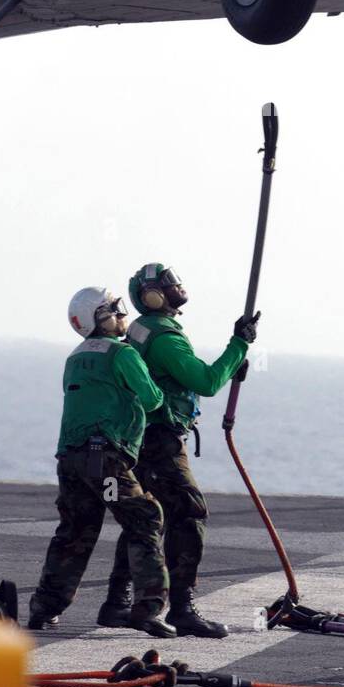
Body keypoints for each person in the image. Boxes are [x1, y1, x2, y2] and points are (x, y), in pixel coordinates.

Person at [107, 262, 259, 637]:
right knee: (189, 513)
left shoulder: (143, 330)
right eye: (168, 283)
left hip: (139, 435)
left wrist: (233, 361)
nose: (176, 286)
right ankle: (181, 608)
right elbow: (206, 381)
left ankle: (117, 602)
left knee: (144, 517)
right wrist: (238, 344)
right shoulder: (164, 337)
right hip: (160, 438)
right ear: (153, 296)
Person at [28, 287, 175, 638]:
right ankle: (148, 608)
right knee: (145, 517)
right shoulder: (122, 353)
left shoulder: (75, 357)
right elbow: (153, 400)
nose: (122, 314)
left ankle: (44, 609)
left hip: (72, 459)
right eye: (115, 309)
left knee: (74, 532)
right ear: (102, 317)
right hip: (105, 461)